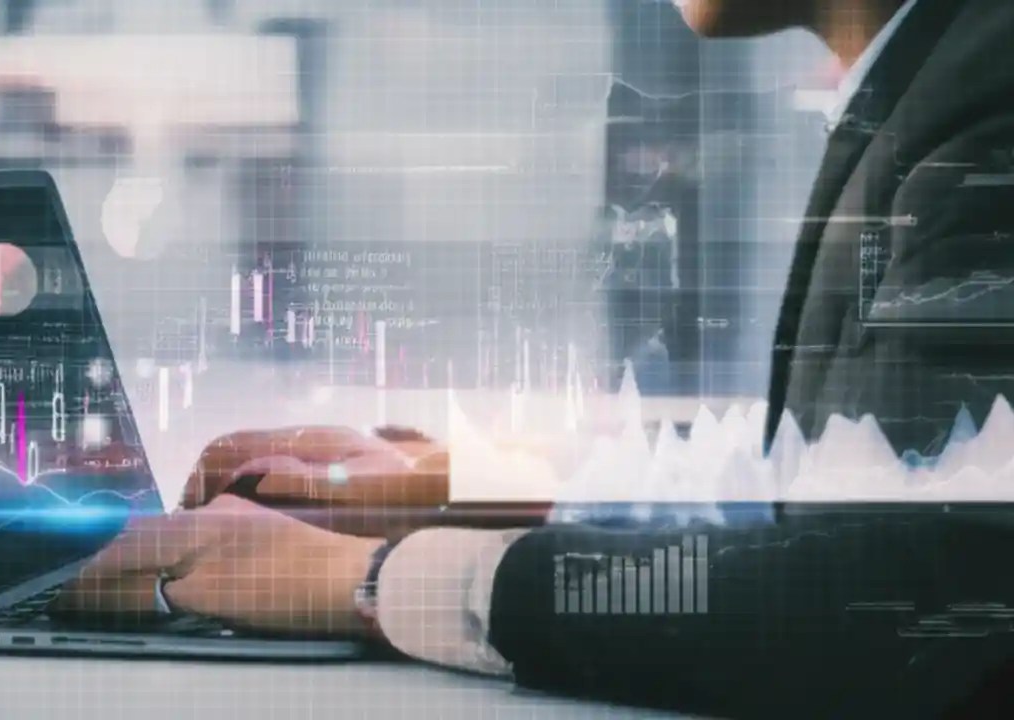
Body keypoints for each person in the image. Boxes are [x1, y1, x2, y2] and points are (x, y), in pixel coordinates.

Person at [62, 0, 1014, 715]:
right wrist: (463, 487)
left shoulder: (984, 108)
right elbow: (848, 483)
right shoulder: (938, 78)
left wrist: (370, 582)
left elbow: (891, 596)